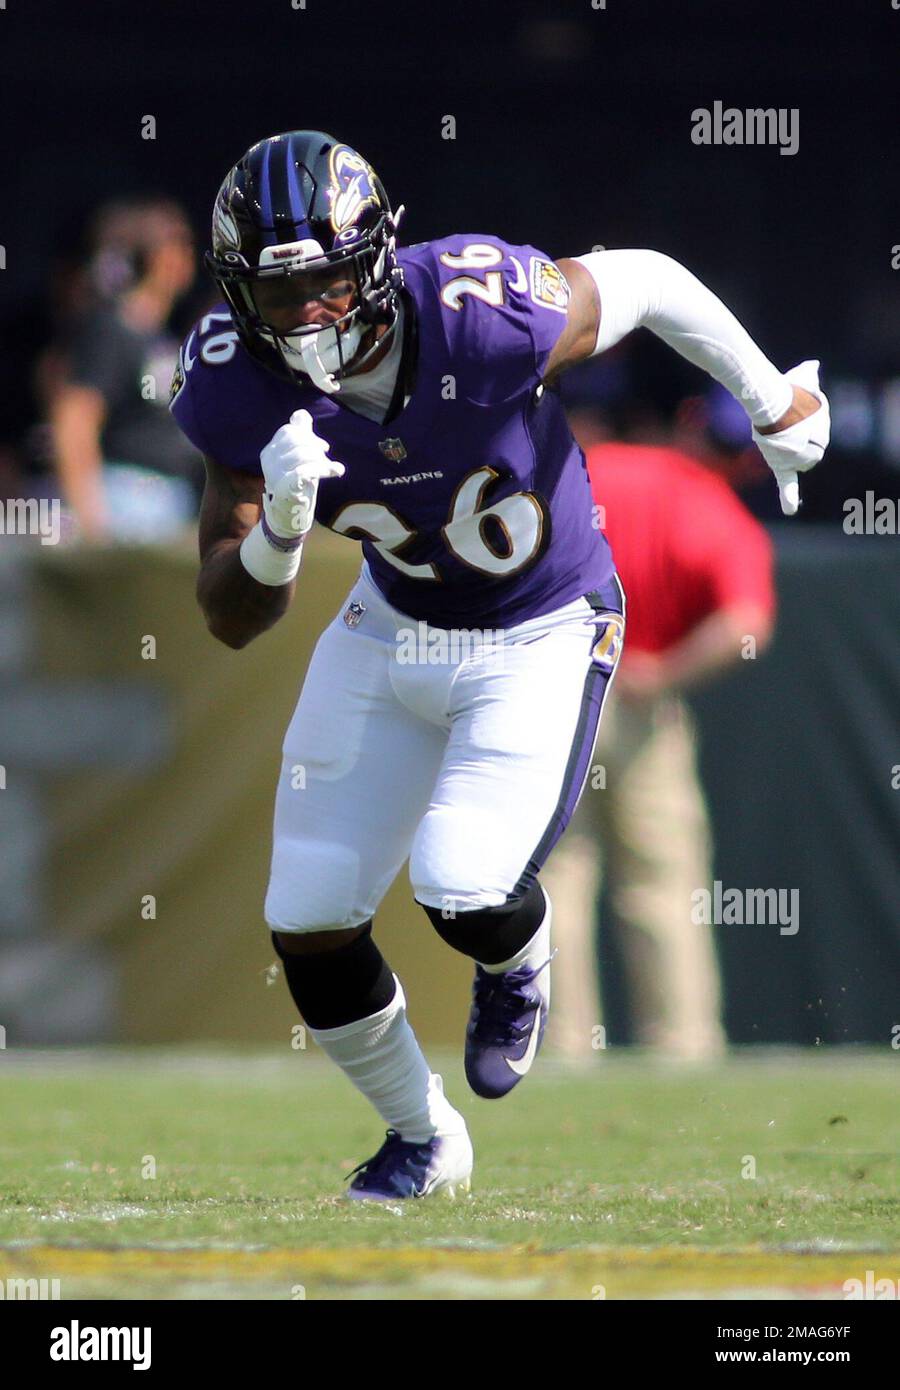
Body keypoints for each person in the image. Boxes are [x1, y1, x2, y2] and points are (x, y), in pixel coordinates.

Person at [169, 129, 829, 1201]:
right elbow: (233, 614)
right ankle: (423, 1138)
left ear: (377, 260)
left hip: (540, 621)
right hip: (392, 623)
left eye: (334, 282)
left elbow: (651, 281)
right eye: (282, 295)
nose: (314, 317)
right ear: (242, 296)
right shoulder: (234, 385)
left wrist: (771, 400)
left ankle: (516, 955)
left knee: (464, 887)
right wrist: (277, 533)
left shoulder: (481, 309)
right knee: (307, 912)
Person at [541, 411, 777, 1061]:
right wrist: (665, 672)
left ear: (684, 423)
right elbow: (745, 623)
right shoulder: (707, 501)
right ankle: (681, 1049)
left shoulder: (587, 468)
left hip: (550, 692)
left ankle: (558, 1050)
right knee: (661, 884)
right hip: (640, 702)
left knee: (555, 878)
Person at [49, 199, 202, 542]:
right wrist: (92, 525)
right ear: (149, 255)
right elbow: (74, 421)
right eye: (176, 242)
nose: (186, 253)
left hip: (171, 505)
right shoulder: (111, 328)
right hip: (127, 501)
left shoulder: (158, 336)